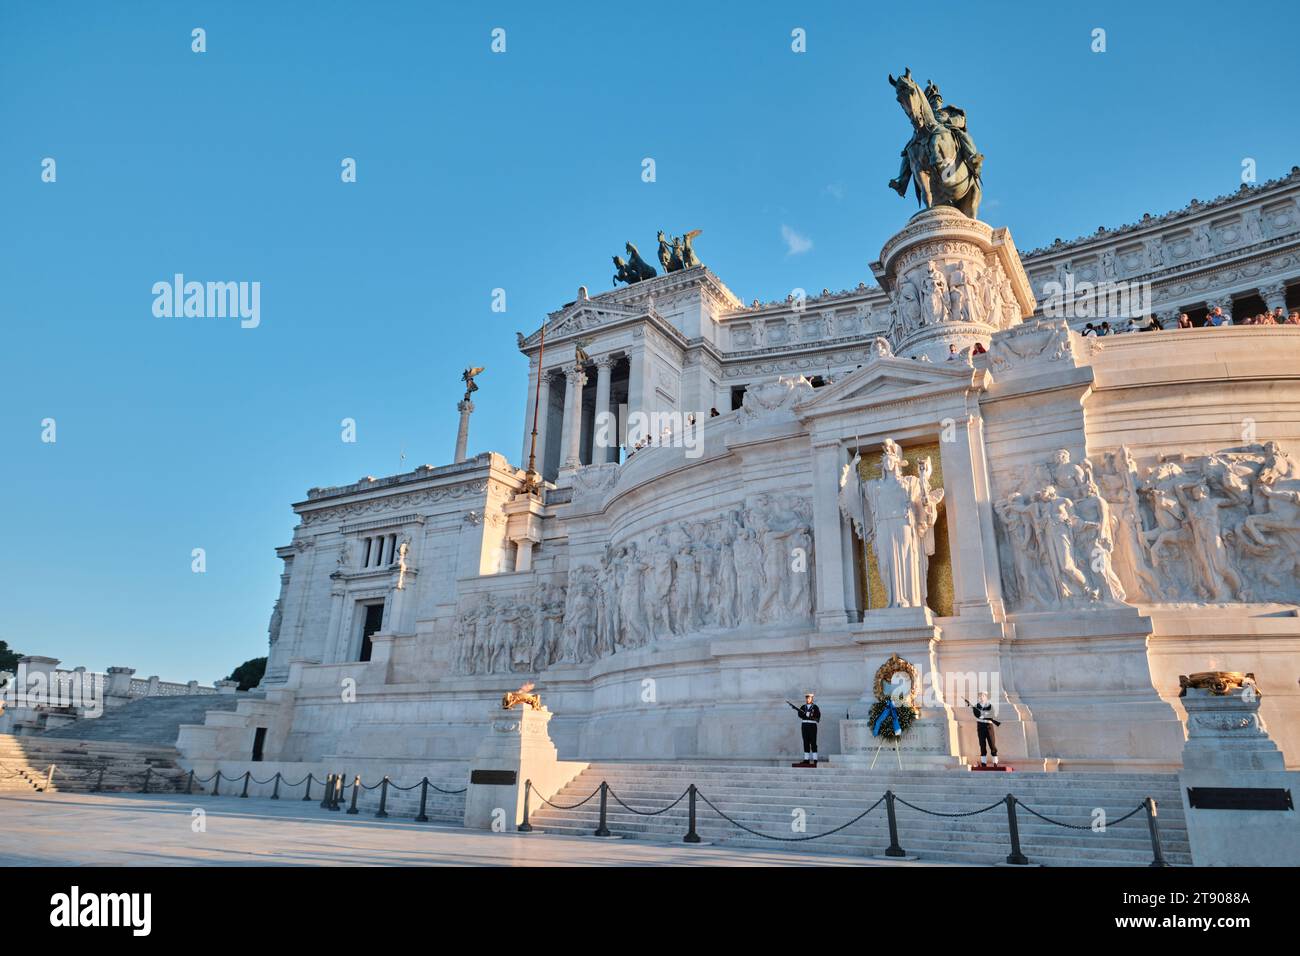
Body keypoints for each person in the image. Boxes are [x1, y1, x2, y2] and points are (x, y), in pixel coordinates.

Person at [787, 693, 821, 767]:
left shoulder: (815, 707)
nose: (807, 699)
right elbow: (800, 714)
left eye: (809, 698)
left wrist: (811, 715)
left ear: (812, 699)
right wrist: (805, 714)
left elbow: (818, 715)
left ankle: (815, 760)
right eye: (807, 698)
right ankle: (806, 760)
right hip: (804, 725)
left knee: (813, 742)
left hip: (812, 725)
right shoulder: (803, 707)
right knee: (806, 742)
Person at [971, 691, 1000, 768]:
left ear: (986, 697)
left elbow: (992, 714)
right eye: (980, 696)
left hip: (988, 726)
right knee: (982, 744)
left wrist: (984, 715)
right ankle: (983, 763)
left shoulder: (990, 706)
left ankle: (995, 762)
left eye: (983, 696)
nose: (981, 697)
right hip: (980, 726)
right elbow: (976, 715)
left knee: (992, 744)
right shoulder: (976, 706)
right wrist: (982, 715)